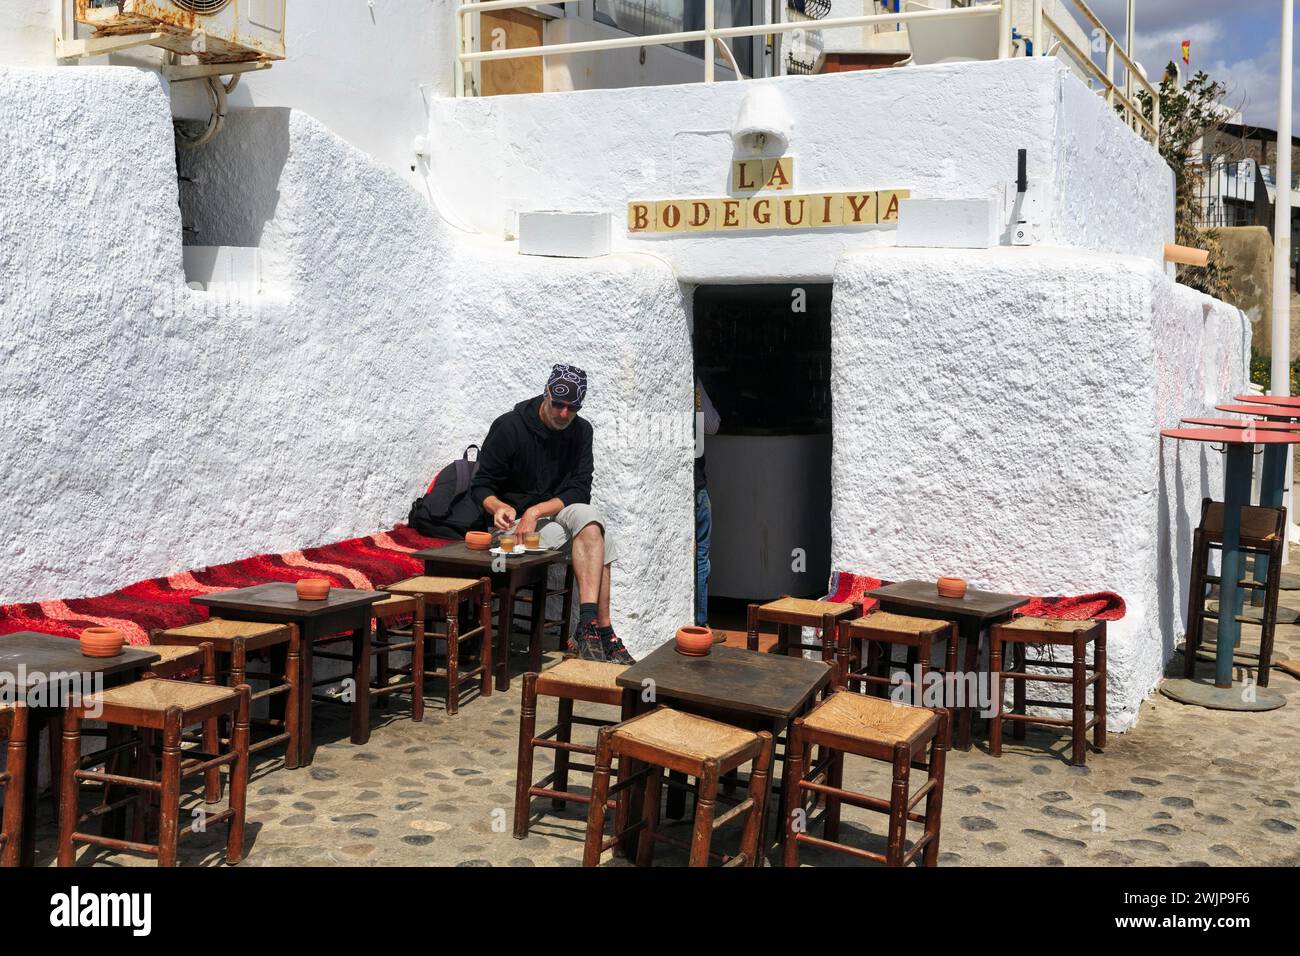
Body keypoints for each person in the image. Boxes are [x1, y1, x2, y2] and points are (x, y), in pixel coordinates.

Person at [469, 364, 633, 665]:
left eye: (572, 408)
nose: (563, 414)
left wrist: (537, 510)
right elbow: (480, 485)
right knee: (597, 535)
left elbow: (581, 489)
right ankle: (601, 629)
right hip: (512, 532)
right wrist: (498, 507)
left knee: (590, 520)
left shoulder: (582, 431)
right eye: (558, 404)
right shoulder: (510, 427)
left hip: (550, 519)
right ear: (546, 394)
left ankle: (588, 626)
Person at [695, 377, 721, 634]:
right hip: (696, 484)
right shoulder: (694, 383)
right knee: (701, 554)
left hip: (681, 482)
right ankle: (700, 624)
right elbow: (712, 425)